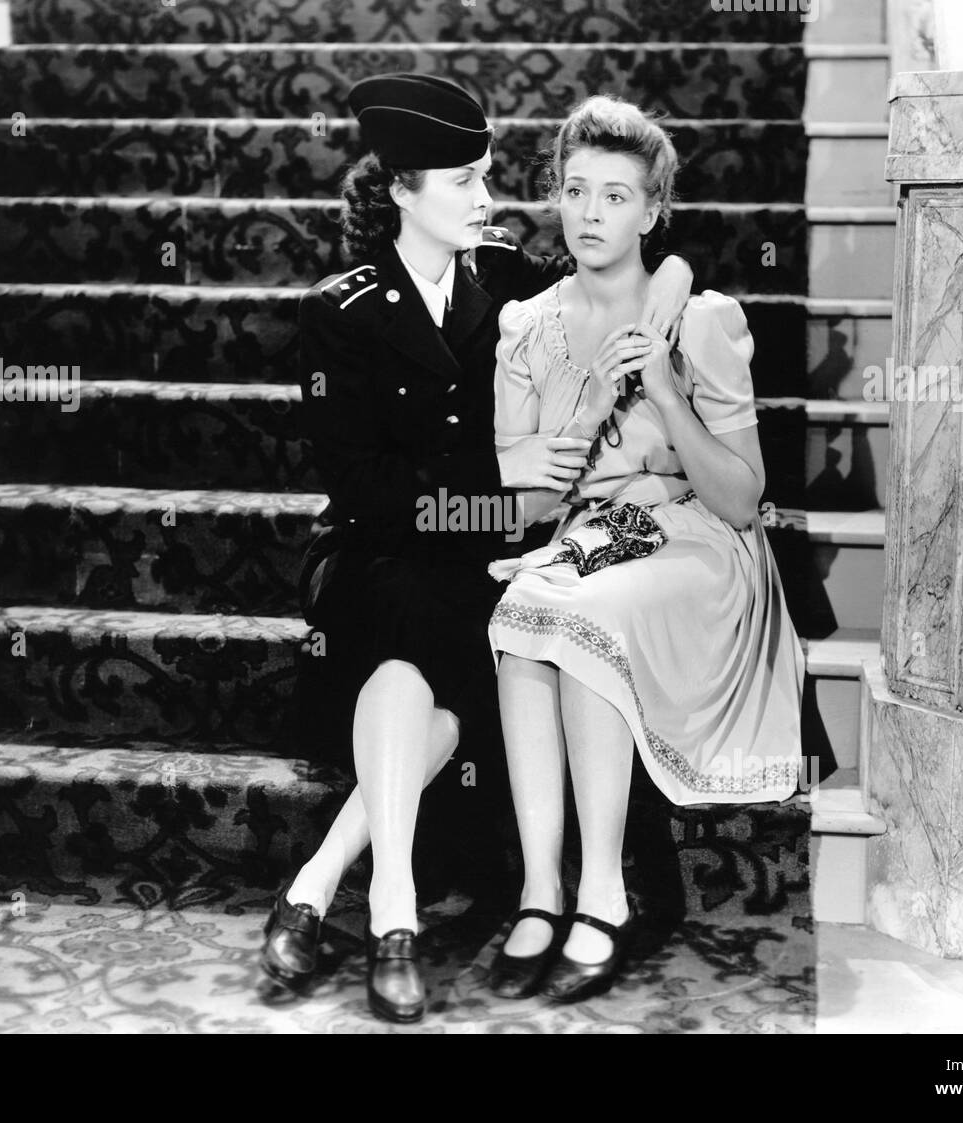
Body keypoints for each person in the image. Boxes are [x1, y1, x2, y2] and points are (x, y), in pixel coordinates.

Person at [260, 73, 695, 1023]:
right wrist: (500, 483)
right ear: (403, 191)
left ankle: (338, 886)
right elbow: (366, 493)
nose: (488, 198)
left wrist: (672, 293)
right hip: (373, 555)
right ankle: (388, 904)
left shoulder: (498, 277)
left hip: (466, 564)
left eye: (487, 176)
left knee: (425, 676)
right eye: (463, 180)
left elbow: (635, 271)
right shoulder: (338, 312)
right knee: (431, 635)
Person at [484, 95, 806, 1003]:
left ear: (652, 211)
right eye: (576, 190)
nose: (590, 213)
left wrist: (664, 393)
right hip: (595, 542)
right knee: (525, 610)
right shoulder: (526, 329)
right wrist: (538, 470)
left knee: (580, 613)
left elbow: (743, 502)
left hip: (702, 548)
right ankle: (540, 892)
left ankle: (602, 894)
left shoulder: (700, 319)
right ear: (554, 195)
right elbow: (526, 503)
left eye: (616, 196)